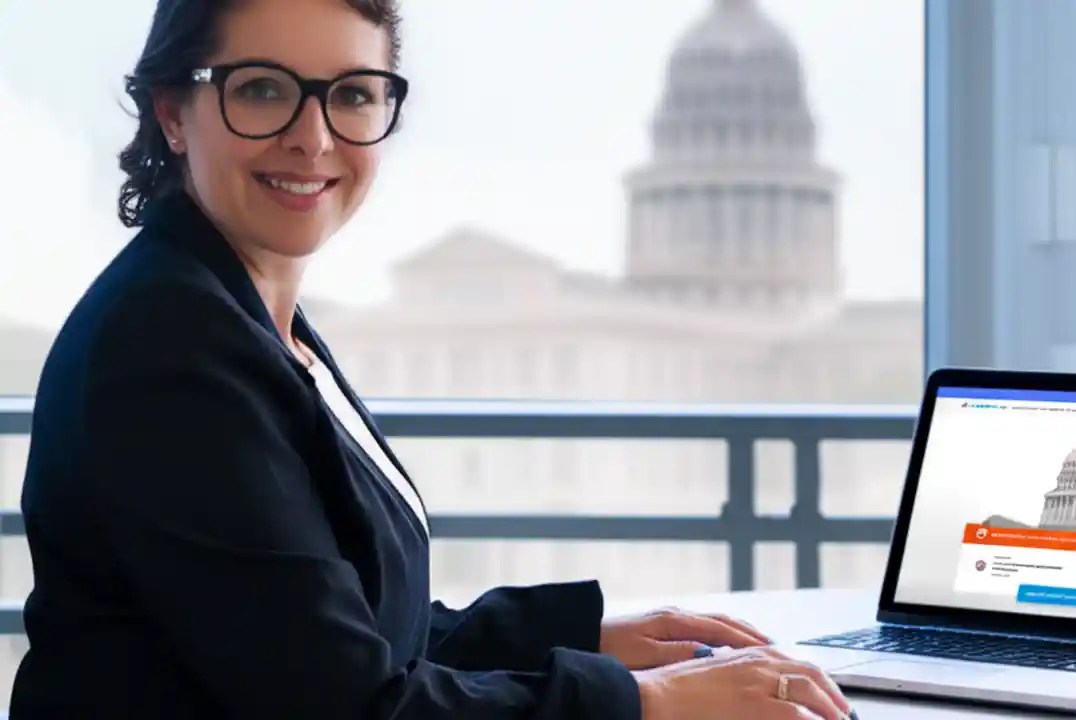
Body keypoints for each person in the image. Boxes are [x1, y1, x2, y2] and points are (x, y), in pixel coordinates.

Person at [10, 1, 857, 718]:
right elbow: (349, 703)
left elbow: (333, 625)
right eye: (261, 90)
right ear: (171, 111)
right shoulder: (171, 350)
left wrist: (578, 636)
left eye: (351, 94)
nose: (312, 138)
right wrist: (644, 702)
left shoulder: (245, 315)